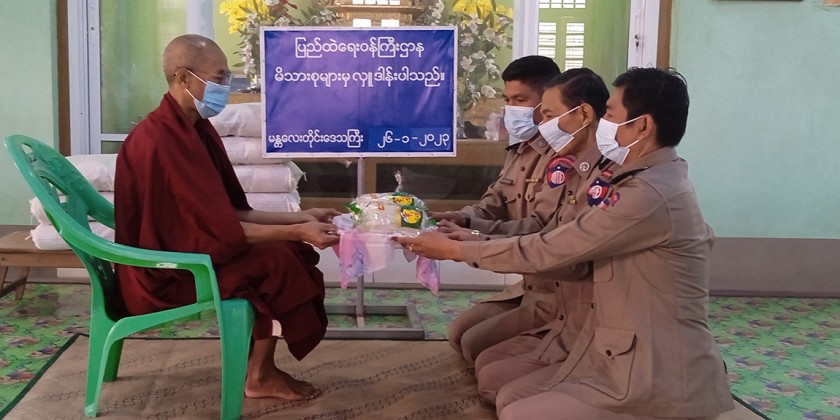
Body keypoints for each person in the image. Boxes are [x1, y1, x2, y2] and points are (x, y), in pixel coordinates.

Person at [397, 67, 734, 419]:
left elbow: (552, 248)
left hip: (655, 367)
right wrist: (471, 235)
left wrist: (457, 250)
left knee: (515, 410)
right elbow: (551, 234)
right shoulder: (628, 177)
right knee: (505, 392)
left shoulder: (647, 193)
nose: (603, 123)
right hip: (606, 343)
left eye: (611, 114)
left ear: (643, 126)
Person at [114, 34, 341, 401]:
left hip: (194, 254)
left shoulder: (195, 130)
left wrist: (299, 219)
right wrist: (299, 231)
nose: (226, 87)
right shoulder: (157, 140)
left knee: (289, 252)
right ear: (183, 78)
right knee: (280, 262)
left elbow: (227, 213)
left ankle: (258, 366)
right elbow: (211, 232)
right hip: (166, 273)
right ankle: (259, 376)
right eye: (219, 78)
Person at [431, 56, 567, 364]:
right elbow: (492, 203)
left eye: (521, 100)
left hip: (556, 289)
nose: (511, 109)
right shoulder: (520, 150)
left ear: (547, 101)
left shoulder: (562, 158)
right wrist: (460, 218)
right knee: (458, 334)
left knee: (476, 348)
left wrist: (470, 235)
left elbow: (539, 227)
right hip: (528, 285)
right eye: (507, 100)